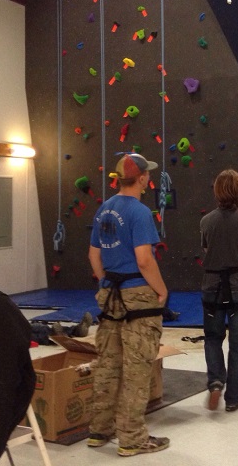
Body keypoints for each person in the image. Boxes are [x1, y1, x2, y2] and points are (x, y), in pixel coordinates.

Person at [87, 153, 169, 456]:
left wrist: (105, 283)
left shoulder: (104, 209)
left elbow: (94, 256)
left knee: (108, 364)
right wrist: (161, 291)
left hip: (110, 294)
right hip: (137, 296)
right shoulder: (140, 212)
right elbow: (145, 260)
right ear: (144, 179)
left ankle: (99, 430)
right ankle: (132, 439)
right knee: (137, 369)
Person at [200, 169, 238, 413]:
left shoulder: (206, 221)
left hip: (212, 286)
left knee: (213, 338)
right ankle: (234, 397)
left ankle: (216, 381)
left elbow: (207, 252)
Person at [0, 260, 92, 344]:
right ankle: (54, 336)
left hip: (3, 321)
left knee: (36, 326)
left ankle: (74, 330)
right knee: (29, 333)